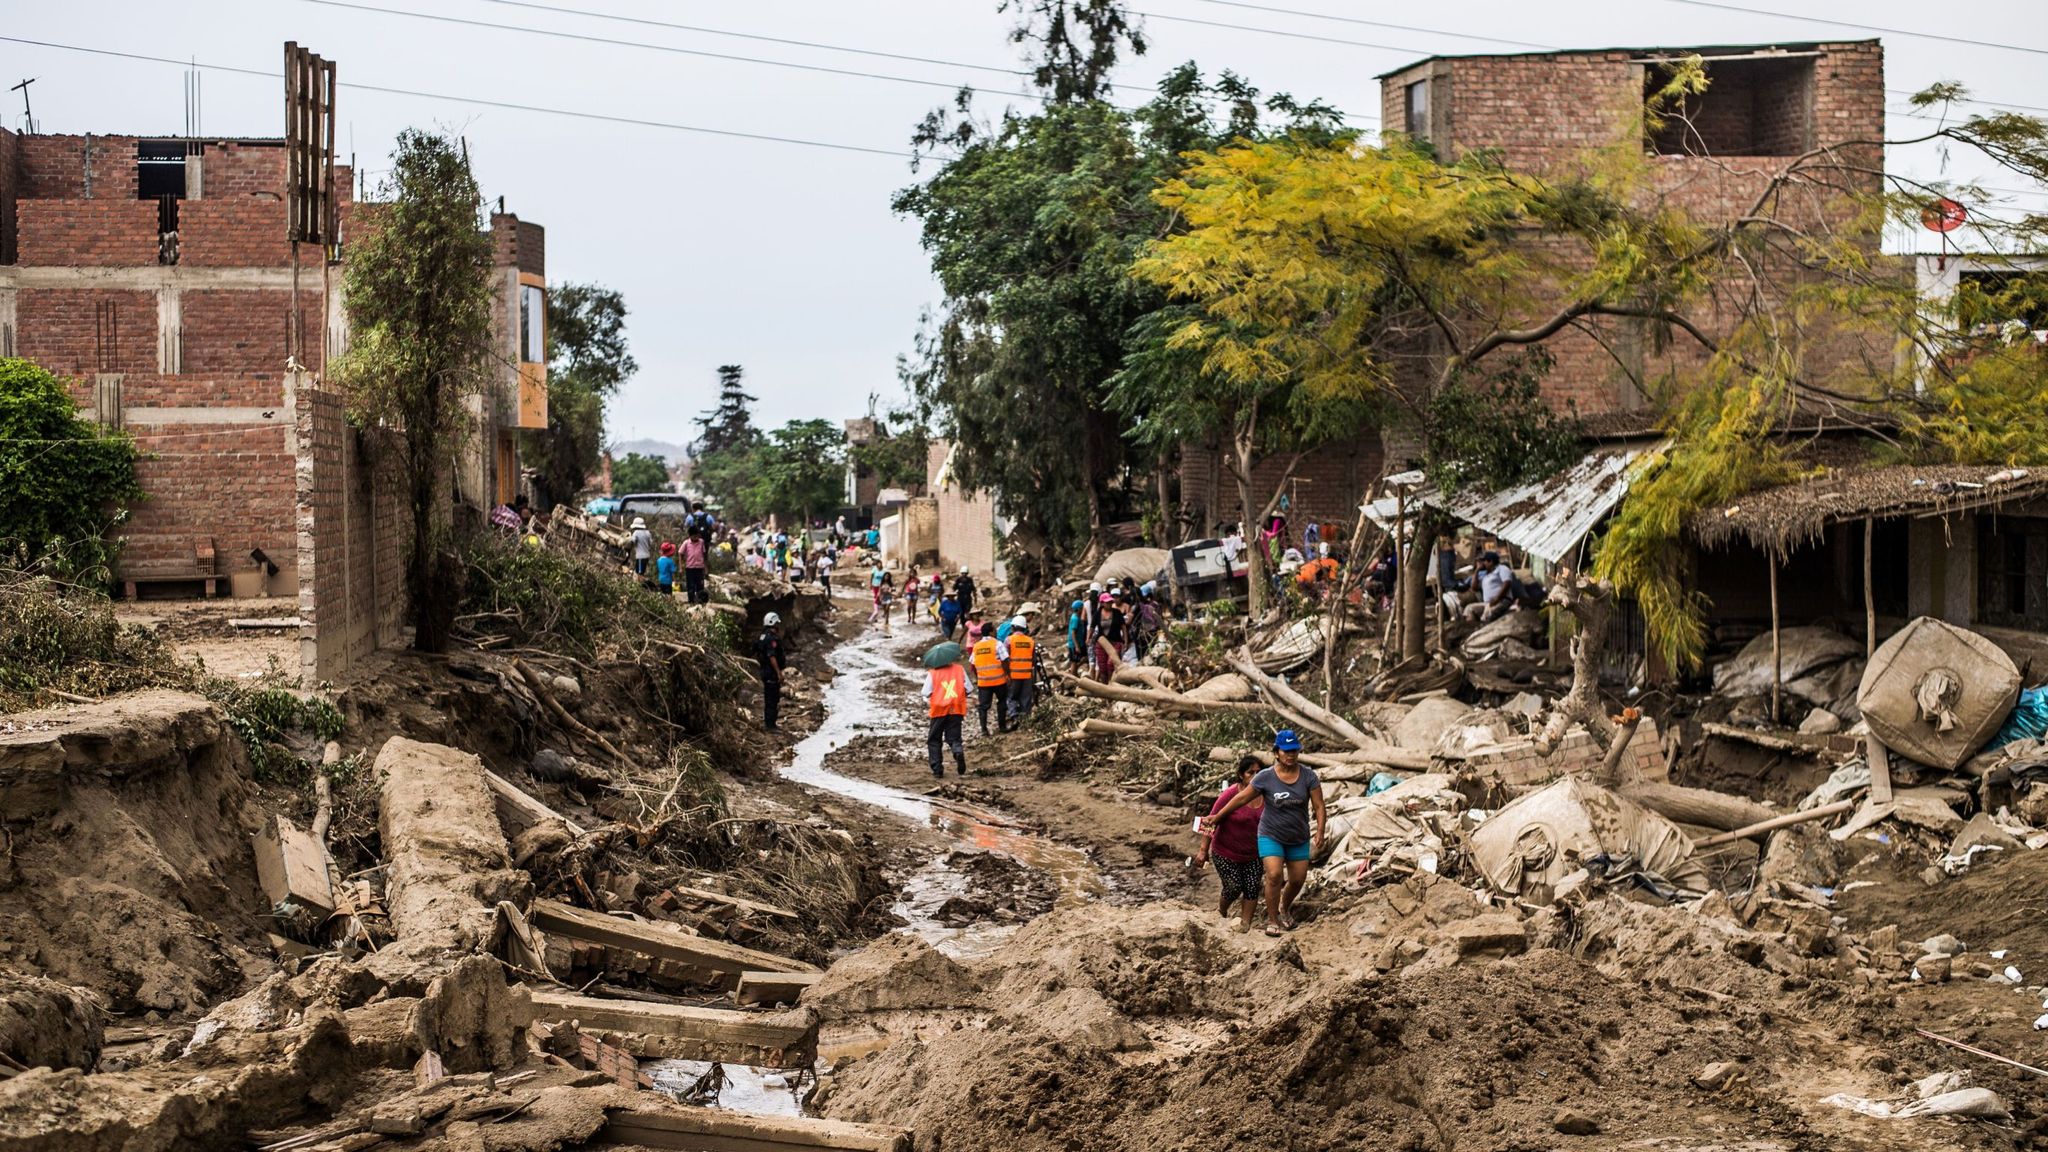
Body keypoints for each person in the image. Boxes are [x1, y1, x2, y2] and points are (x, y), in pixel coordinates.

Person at [1201, 730, 1325, 937]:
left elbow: (1319, 806)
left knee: (1297, 879)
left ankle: (1284, 906)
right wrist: (1217, 817)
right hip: (1271, 834)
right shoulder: (1265, 777)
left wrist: (1320, 830)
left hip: (1298, 836)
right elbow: (1240, 799)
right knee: (1274, 875)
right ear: (1276, 752)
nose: (1290, 755)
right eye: (1286, 751)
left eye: (1294, 751)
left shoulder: (1308, 776)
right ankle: (1272, 919)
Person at [1195, 755, 1266, 934]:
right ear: (1242, 775)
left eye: (1259, 772)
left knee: (1251, 887)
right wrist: (1203, 850)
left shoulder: (1266, 795)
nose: (1255, 775)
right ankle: (1221, 912)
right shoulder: (1230, 794)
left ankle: (1245, 924)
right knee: (1234, 886)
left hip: (1253, 853)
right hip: (1225, 851)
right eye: (1251, 772)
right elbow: (1210, 820)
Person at [923, 652, 970, 778]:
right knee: (954, 738)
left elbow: (926, 692)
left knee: (934, 740)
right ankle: (957, 751)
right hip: (956, 708)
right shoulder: (959, 669)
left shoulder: (932, 673)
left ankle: (937, 770)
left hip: (939, 710)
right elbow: (969, 689)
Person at [1464, 550, 1539, 622]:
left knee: (1488, 617)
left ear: (1491, 562)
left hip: (1502, 601)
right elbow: (1474, 588)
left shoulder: (1502, 569)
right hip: (1487, 603)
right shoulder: (1485, 575)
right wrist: (1477, 571)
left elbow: (1507, 583)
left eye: (1485, 561)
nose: (1483, 564)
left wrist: (1497, 599)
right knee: (1469, 609)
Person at [970, 626, 1010, 735]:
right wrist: (1008, 675)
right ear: (991, 632)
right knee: (1002, 702)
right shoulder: (997, 644)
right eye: (995, 631)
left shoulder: (976, 646)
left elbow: (973, 664)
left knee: (983, 706)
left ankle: (984, 729)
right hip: (999, 681)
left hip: (983, 682)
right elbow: (1005, 660)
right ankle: (1002, 726)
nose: (996, 633)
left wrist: (979, 676)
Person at [756, 612, 788, 731]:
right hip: (770, 673)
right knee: (772, 699)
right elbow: (772, 657)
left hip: (765, 671)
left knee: (770, 697)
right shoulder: (771, 639)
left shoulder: (762, 636)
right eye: (776, 625)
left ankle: (769, 723)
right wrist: (778, 672)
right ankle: (770, 725)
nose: (777, 628)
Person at [1005, 618, 1036, 724]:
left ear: (1013, 627)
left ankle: (1014, 716)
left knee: (1012, 696)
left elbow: (1005, 658)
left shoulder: (1009, 640)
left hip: (1013, 674)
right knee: (1026, 697)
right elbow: (1033, 659)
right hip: (1027, 674)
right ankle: (1026, 719)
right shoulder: (1030, 641)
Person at [1093, 593, 1121, 682]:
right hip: (1101, 641)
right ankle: (1104, 685)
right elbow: (1092, 627)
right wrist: (1088, 638)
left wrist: (1126, 641)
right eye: (1107, 602)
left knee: (1111, 663)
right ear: (1102, 603)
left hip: (1115, 641)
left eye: (1110, 602)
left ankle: (1111, 682)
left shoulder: (1117, 613)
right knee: (1102, 666)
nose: (1109, 604)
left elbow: (1123, 626)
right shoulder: (1098, 613)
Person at [681, 530, 710, 604]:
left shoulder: (701, 542)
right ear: (690, 536)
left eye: (697, 536)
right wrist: (681, 566)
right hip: (690, 568)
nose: (696, 537)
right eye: (694, 536)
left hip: (699, 568)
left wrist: (706, 568)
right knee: (690, 586)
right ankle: (691, 601)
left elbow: (704, 554)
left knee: (700, 585)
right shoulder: (686, 543)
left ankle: (700, 601)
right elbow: (680, 553)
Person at [1066, 598, 1087, 672]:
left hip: (1079, 642)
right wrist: (1077, 646)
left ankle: (1072, 671)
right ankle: (1073, 674)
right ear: (1079, 609)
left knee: (1084, 658)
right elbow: (1073, 633)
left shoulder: (1077, 617)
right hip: (1074, 644)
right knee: (1074, 661)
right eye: (1082, 608)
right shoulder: (1075, 619)